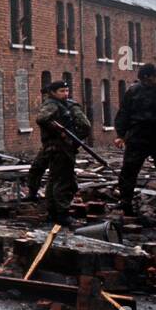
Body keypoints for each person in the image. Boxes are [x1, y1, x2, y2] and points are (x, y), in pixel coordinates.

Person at [114, 63, 156, 217]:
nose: (146, 82)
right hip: (138, 136)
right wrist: (120, 134)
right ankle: (125, 201)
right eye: (143, 80)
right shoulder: (134, 91)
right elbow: (124, 113)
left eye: (149, 79)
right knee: (129, 169)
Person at [32, 81, 91, 226]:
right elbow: (41, 118)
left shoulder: (66, 105)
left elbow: (85, 126)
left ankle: (53, 213)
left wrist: (73, 140)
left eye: (67, 90)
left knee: (54, 180)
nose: (65, 94)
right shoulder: (52, 104)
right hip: (60, 148)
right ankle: (62, 214)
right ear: (52, 92)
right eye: (61, 91)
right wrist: (61, 133)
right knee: (63, 181)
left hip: (61, 147)